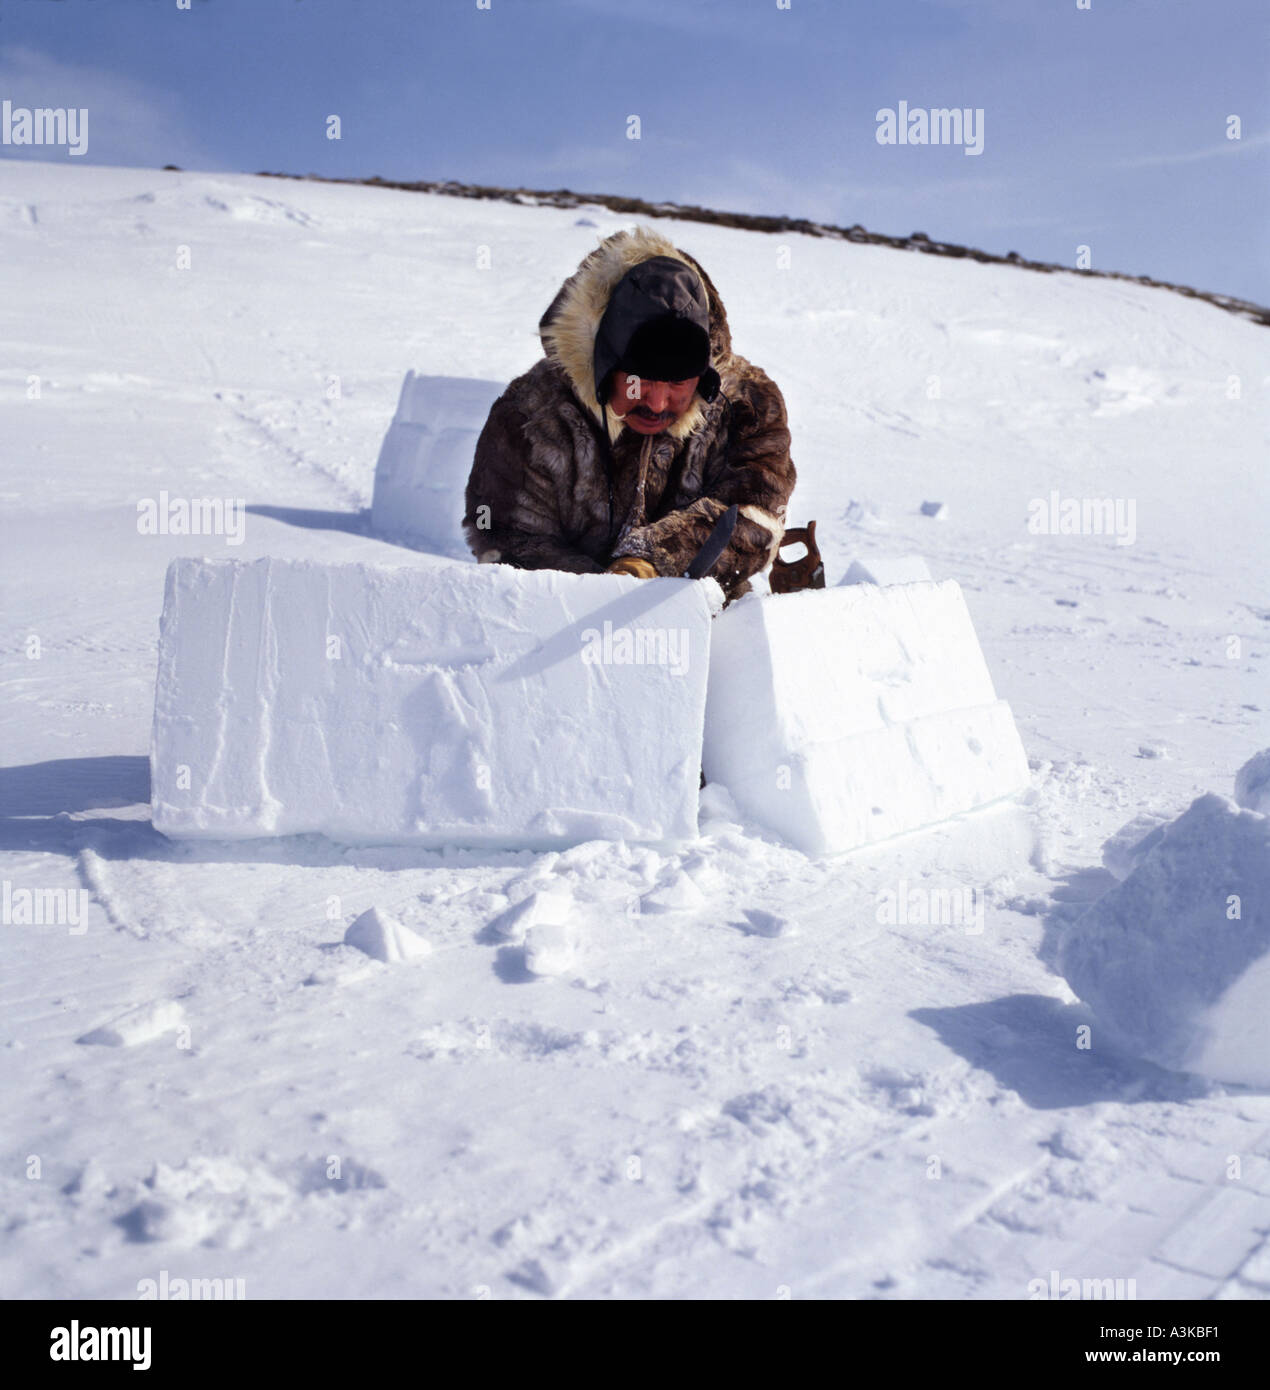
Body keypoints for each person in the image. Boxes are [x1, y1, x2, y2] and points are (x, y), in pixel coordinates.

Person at [463, 225, 796, 600]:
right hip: (560, 633)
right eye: (640, 382)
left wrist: (652, 562)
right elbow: (504, 535)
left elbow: (756, 514)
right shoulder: (527, 416)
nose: (656, 404)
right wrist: (606, 594)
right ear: (603, 364)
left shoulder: (747, 405)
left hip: (706, 627)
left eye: (677, 384)